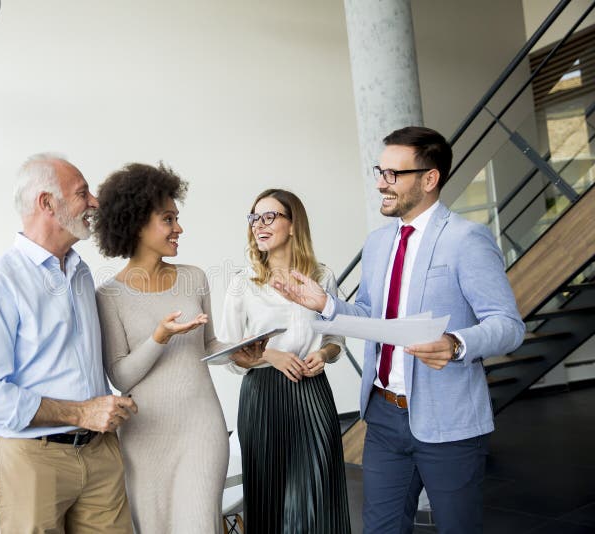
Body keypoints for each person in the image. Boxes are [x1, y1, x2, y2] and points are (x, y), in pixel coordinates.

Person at [274, 126, 525, 534]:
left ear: (429, 178)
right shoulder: (377, 243)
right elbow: (374, 316)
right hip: (385, 415)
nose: (380, 183)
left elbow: (508, 325)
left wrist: (457, 343)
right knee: (380, 529)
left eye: (393, 174)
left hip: (449, 419)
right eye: (380, 171)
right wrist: (326, 305)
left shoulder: (467, 239)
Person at [0, 153, 137, 534]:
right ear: (47, 203)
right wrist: (80, 414)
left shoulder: (81, 273)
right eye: (82, 193)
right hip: (30, 460)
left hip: (100, 453)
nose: (95, 203)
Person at [93, 162, 261, 534]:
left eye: (177, 218)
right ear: (136, 223)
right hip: (144, 435)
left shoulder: (194, 277)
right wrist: (159, 337)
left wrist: (240, 353)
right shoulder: (109, 296)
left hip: (201, 427)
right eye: (168, 219)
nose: (178, 228)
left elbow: (209, 343)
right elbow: (120, 375)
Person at [220, 188, 352, 533]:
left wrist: (323, 354)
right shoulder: (242, 284)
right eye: (254, 218)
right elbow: (228, 352)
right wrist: (269, 355)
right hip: (262, 397)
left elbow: (336, 339)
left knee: (318, 495)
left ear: (293, 225)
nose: (258, 225)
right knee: (270, 496)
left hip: (313, 393)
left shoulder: (322, 277)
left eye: (269, 217)